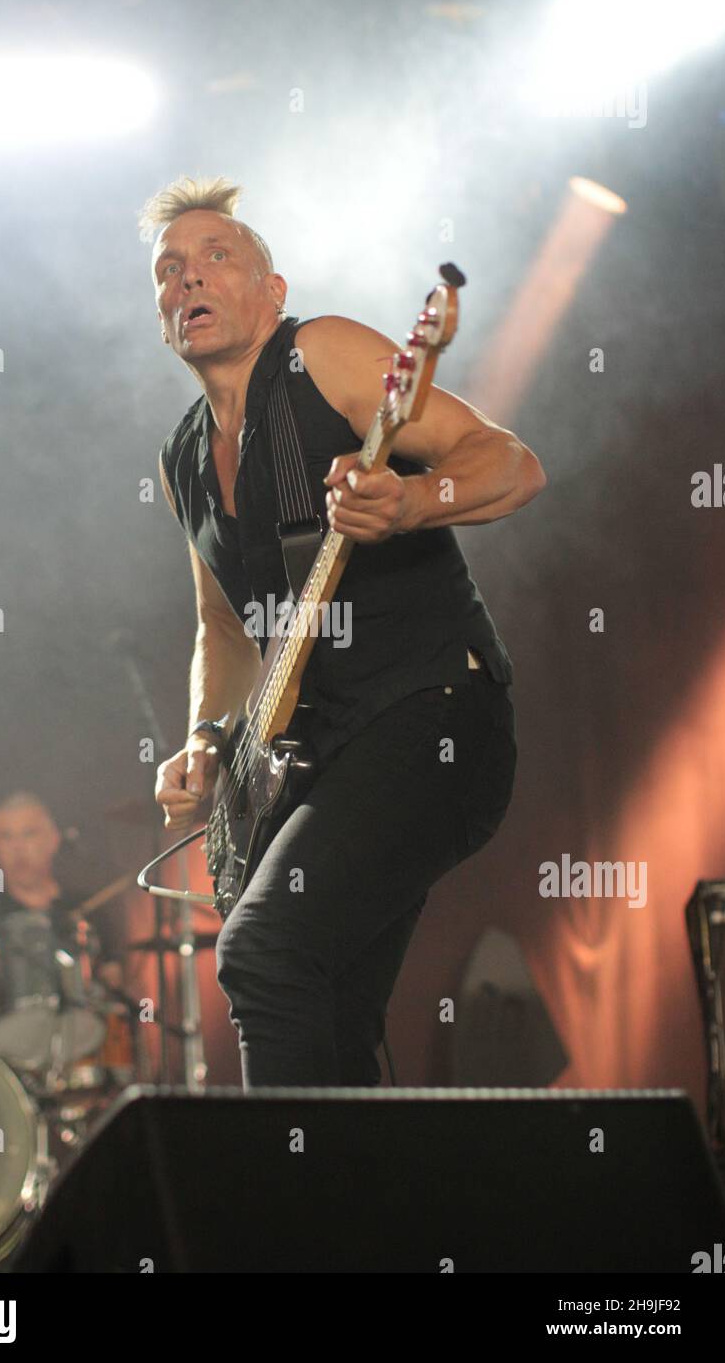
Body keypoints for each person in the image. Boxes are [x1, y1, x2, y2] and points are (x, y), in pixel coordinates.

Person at [144, 175, 546, 1089]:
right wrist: (206, 739)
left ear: (271, 291)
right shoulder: (179, 461)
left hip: (433, 716)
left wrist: (409, 500)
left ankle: (281, 1223)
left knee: (260, 955)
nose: (188, 281)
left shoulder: (320, 352)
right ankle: (365, 1223)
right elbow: (223, 627)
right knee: (325, 1021)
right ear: (160, 314)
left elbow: (512, 463)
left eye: (216, 257)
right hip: (315, 756)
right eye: (169, 272)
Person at [0, 792, 122, 1034]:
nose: (18, 848)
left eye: (28, 834)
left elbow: (114, 978)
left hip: (78, 1045)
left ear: (54, 840)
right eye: (6, 837)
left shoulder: (87, 908)